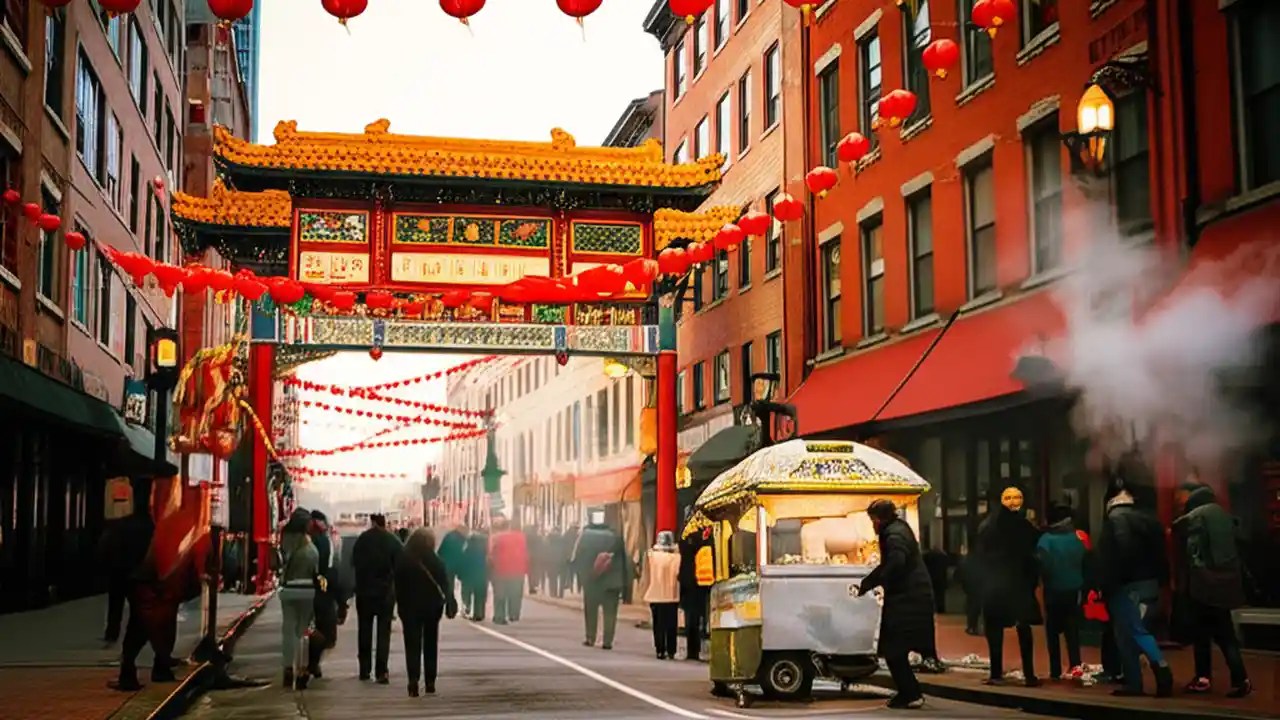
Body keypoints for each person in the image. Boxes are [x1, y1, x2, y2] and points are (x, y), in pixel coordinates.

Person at [1173, 481, 1251, 698]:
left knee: (1201, 635)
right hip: (1227, 586)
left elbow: (1194, 555)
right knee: (1226, 636)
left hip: (1205, 588)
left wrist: (1194, 580)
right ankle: (1241, 679)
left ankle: (1203, 678)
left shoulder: (1197, 518)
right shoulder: (1225, 517)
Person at [1097, 481, 1173, 697]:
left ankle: (1162, 671)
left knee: (1134, 630)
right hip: (1150, 583)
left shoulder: (1114, 521)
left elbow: (1115, 556)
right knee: (1127, 633)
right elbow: (1161, 554)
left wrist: (1108, 584)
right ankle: (1133, 682)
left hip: (1126, 585)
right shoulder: (1149, 520)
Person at [856, 499, 934, 710]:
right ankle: (909, 692)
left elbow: (895, 563)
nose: (872, 525)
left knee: (894, 650)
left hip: (908, 599)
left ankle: (911, 694)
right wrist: (870, 582)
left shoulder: (894, 534)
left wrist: (873, 581)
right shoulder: (897, 530)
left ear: (880, 518)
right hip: (910, 596)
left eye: (873, 520)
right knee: (895, 650)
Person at [974, 484, 1043, 687]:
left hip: (995, 585)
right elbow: (1033, 556)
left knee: (994, 629)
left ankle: (996, 673)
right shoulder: (1025, 526)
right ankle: (1029, 674)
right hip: (1020, 584)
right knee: (1023, 628)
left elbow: (980, 557)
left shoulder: (988, 526)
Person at [395, 528, 458, 697]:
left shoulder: (404, 560)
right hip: (432, 608)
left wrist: (400, 605)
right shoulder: (435, 560)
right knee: (430, 644)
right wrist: (449, 601)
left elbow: (398, 586)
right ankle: (430, 681)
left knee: (412, 645)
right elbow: (445, 583)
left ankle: (413, 681)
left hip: (409, 608)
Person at [1036, 503, 1088, 680]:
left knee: (1052, 632)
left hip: (1054, 589)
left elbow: (1043, 565)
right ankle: (1075, 666)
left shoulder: (1046, 540)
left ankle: (1055, 669)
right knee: (1072, 631)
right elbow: (1085, 560)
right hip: (1074, 589)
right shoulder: (1077, 538)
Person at [351, 513, 403, 683]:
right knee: (383, 632)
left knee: (364, 631)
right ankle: (382, 671)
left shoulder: (362, 540)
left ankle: (364, 670)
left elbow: (354, 562)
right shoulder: (393, 541)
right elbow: (400, 565)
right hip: (386, 594)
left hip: (364, 592)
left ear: (372, 522)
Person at [572, 510, 630, 649]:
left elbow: (577, 558)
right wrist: (624, 583)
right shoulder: (616, 536)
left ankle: (590, 637)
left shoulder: (585, 536)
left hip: (592, 579)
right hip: (612, 581)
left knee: (591, 610)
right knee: (610, 612)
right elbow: (624, 561)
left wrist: (581, 577)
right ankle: (607, 640)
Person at [279, 509, 320, 690]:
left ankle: (288, 668)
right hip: (307, 591)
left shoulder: (285, 540)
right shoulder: (310, 547)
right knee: (304, 632)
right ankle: (302, 670)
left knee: (288, 631)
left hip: (288, 589)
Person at [307, 510, 348, 679]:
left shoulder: (312, 541)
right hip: (322, 591)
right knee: (326, 632)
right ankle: (311, 663)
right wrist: (341, 600)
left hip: (313, 589)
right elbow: (331, 572)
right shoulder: (322, 542)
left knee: (317, 630)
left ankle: (311, 663)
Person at [641, 531, 681, 659]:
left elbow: (646, 575)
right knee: (671, 625)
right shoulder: (677, 558)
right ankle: (671, 650)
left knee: (658, 625)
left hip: (655, 595)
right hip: (672, 595)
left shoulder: (651, 556)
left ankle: (660, 649)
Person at [678, 526, 712, 661]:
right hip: (704, 584)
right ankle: (698, 649)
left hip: (691, 584)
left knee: (692, 619)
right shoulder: (707, 541)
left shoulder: (686, 541)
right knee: (701, 618)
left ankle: (693, 651)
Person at [488, 517, 529, 624]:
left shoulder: (495, 538)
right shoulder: (521, 537)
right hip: (518, 570)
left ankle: (499, 616)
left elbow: (490, 554)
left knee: (500, 595)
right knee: (515, 594)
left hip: (500, 569)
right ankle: (514, 614)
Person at [461, 525, 490, 620]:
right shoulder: (485, 550)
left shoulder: (468, 549)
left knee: (467, 592)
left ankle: (467, 608)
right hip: (482, 574)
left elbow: (463, 561)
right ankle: (479, 614)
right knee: (480, 595)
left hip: (469, 575)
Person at [438, 524, 469, 598]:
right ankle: (450, 606)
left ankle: (446, 603)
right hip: (450, 567)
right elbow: (459, 556)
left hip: (443, 564)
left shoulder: (449, 535)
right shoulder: (460, 539)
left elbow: (440, 551)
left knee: (445, 587)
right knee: (449, 588)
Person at [544, 527, 564, 596]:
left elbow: (546, 550)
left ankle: (552, 592)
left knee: (552, 577)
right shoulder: (561, 539)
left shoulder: (549, 539)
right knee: (557, 577)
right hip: (558, 560)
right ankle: (556, 592)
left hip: (550, 560)